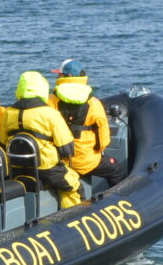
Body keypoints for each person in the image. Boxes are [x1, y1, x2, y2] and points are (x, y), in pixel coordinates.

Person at [0, 71, 82, 209]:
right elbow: (66, 147)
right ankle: (72, 217)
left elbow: (3, 140)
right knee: (74, 187)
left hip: (16, 167)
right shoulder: (50, 113)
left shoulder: (8, 112)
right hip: (46, 168)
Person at [49, 59, 124, 189]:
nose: (57, 77)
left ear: (69, 76)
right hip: (85, 160)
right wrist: (97, 151)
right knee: (116, 169)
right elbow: (103, 138)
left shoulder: (51, 100)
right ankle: (116, 202)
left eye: (59, 74)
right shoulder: (93, 103)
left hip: (59, 159)